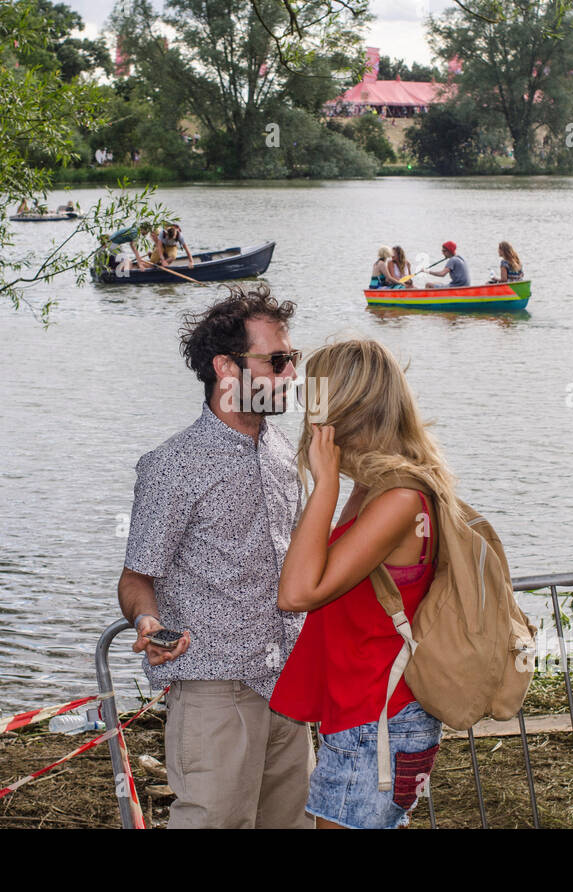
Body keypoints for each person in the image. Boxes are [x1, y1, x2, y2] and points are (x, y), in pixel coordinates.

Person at [118, 285, 314, 829]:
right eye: (277, 361)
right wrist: (147, 620)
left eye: (292, 359)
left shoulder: (283, 450)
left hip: (288, 684)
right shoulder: (172, 466)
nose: (291, 374)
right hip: (214, 687)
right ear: (226, 368)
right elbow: (136, 577)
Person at [270, 338, 451, 829]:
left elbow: (297, 593)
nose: (308, 421)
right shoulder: (377, 487)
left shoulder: (398, 499)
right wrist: (339, 482)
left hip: (379, 723)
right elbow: (322, 572)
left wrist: (324, 482)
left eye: (316, 405)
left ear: (346, 411)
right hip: (366, 718)